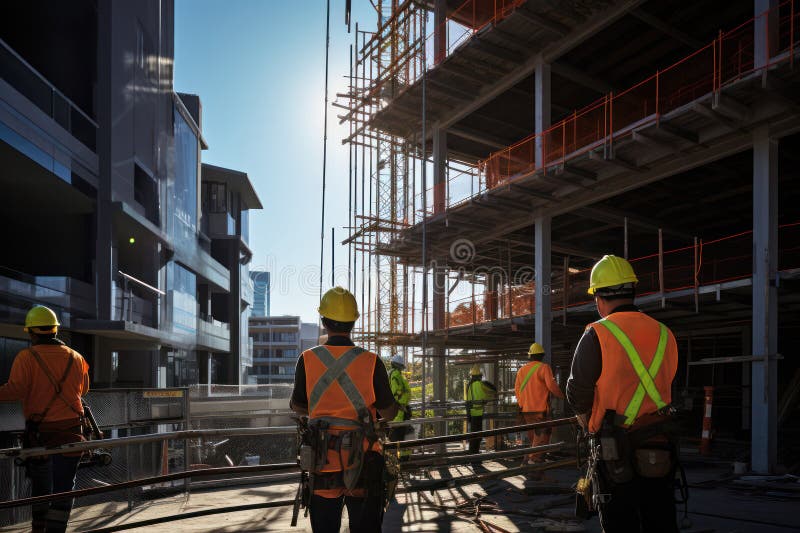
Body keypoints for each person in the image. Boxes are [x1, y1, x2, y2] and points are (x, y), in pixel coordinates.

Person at [566, 255, 679, 533]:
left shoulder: (597, 334)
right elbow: (670, 381)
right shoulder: (665, 334)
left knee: (620, 521)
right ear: (633, 291)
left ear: (598, 298)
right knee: (660, 517)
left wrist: (586, 422)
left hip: (613, 449)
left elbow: (577, 392)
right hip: (659, 445)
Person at [290, 287, 398, 533]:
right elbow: (390, 413)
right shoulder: (371, 361)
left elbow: (297, 406)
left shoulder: (307, 360)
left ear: (323, 321)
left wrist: (321, 406)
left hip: (322, 461)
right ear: (354, 322)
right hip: (363, 464)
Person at [0, 305, 90, 533]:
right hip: (73, 433)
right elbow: (84, 389)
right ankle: (57, 530)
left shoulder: (26, 357)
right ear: (55, 330)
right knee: (64, 488)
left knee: (41, 489)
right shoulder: (76, 357)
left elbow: (15, 391)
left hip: (41, 437)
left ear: (31, 332)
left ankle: (39, 530)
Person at [515, 342, 564, 463]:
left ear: (530, 356)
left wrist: (522, 405)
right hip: (540, 410)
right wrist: (563, 395)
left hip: (526, 410)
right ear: (542, 356)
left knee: (534, 437)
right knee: (542, 435)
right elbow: (552, 386)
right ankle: (534, 460)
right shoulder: (544, 367)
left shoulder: (521, 371)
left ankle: (534, 458)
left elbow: (517, 390)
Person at [387, 354, 411, 460]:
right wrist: (402, 404)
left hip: (398, 411)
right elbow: (396, 392)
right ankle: (401, 460)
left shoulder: (392, 373)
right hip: (399, 412)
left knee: (399, 436)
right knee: (400, 436)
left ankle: (396, 459)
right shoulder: (396, 374)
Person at [465, 364, 488, 455]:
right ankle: (475, 453)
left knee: (473, 434)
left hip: (471, 412)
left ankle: (472, 452)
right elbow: (484, 398)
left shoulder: (469, 385)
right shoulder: (480, 384)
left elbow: (469, 400)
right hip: (478, 412)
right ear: (479, 375)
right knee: (478, 434)